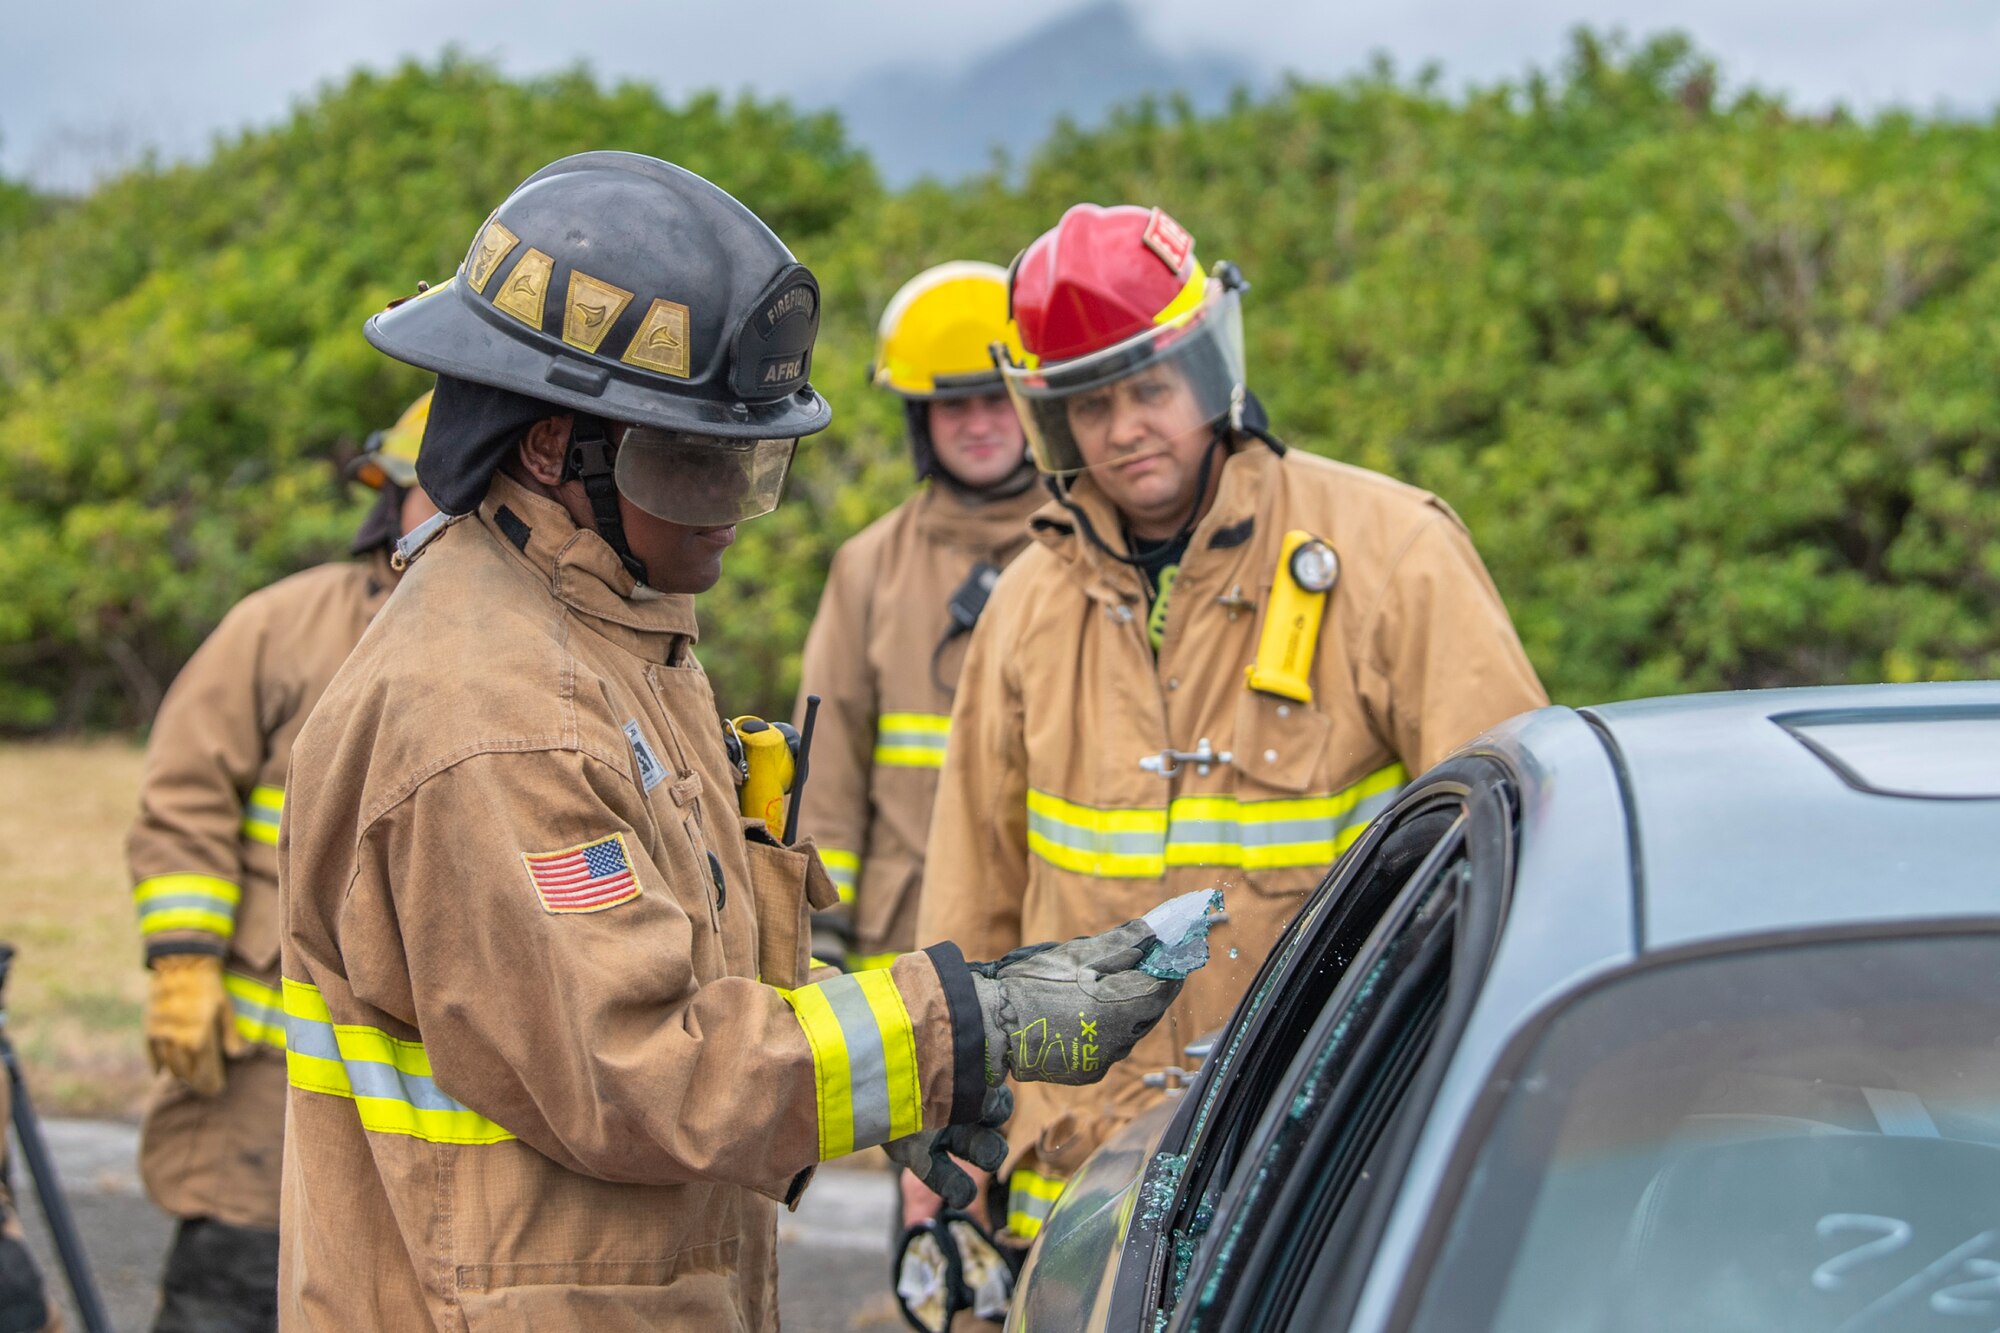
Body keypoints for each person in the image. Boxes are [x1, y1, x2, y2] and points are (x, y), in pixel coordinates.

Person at [274, 151, 1184, 1331]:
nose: (734, 515)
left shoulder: (604, 632)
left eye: (752, 463)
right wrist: (965, 1024)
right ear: (556, 450)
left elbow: (661, 978)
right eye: (696, 462)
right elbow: (636, 1065)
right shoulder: (493, 719)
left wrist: (884, 1071)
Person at [918, 204, 1550, 1245]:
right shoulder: (1024, 603)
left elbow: (1515, 847)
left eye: (1149, 387)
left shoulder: (1391, 553)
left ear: (1209, 372)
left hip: (1320, 1166)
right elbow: (971, 893)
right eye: (1089, 403)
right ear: (1051, 419)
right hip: (1076, 1185)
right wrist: (943, 1127)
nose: (1123, 428)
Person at [124, 394, 437, 1332]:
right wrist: (183, 957)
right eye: (429, 495)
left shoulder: (527, 653)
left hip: (426, 1070)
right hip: (268, 1057)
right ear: (389, 497)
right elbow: (182, 795)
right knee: (230, 1282)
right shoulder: (279, 627)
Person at [795, 263, 1045, 1234]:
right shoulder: (867, 569)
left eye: (996, 398)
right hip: (917, 961)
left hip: (1060, 935)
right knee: (940, 1223)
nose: (978, 422)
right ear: (917, 420)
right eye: (953, 407)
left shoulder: (1084, 554)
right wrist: (818, 949)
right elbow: (826, 777)